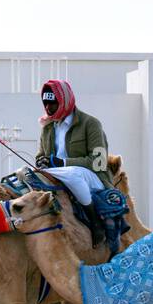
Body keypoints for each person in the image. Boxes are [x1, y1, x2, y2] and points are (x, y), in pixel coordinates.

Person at [28, 79, 112, 247]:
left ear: (65, 100)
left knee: (72, 173)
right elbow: (41, 155)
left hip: (91, 177)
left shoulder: (91, 124)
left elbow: (99, 162)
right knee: (25, 172)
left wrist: (61, 162)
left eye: (53, 102)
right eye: (46, 103)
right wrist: (42, 161)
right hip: (57, 173)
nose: (48, 107)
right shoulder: (47, 127)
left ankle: (95, 221)